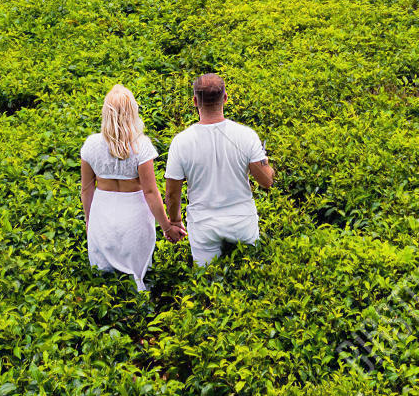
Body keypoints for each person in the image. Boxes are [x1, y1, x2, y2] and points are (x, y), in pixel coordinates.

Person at [164, 73, 275, 267]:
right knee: (250, 277)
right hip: (243, 223)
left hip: (203, 226)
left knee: (206, 281)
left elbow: (172, 194)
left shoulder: (180, 142)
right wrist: (264, 161)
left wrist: (174, 222)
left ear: (194, 101)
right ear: (225, 98)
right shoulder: (246, 135)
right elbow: (267, 181)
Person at [80, 85, 183, 292]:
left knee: (104, 282)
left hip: (103, 215)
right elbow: (151, 192)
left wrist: (90, 221)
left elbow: (86, 189)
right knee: (137, 275)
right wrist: (167, 226)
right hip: (134, 219)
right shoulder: (141, 146)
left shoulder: (91, 145)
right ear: (132, 112)